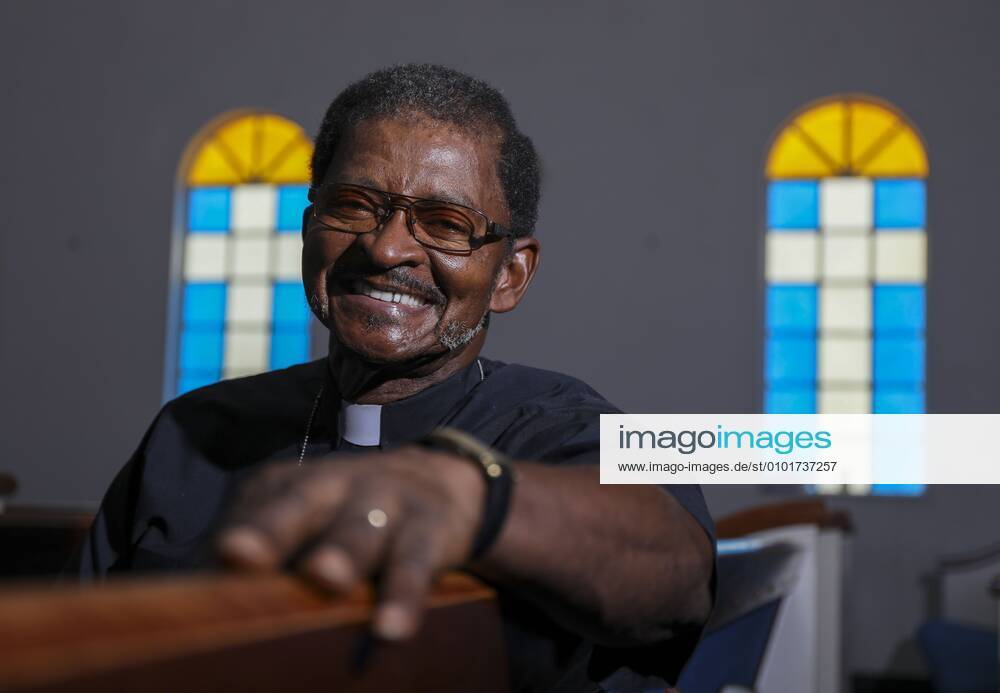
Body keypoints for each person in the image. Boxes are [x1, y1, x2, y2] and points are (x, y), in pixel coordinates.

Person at [77, 64, 715, 692]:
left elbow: (678, 571)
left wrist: (472, 501)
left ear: (510, 276)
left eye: (445, 225)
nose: (385, 250)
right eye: (355, 206)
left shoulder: (570, 422)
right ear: (309, 232)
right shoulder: (191, 429)